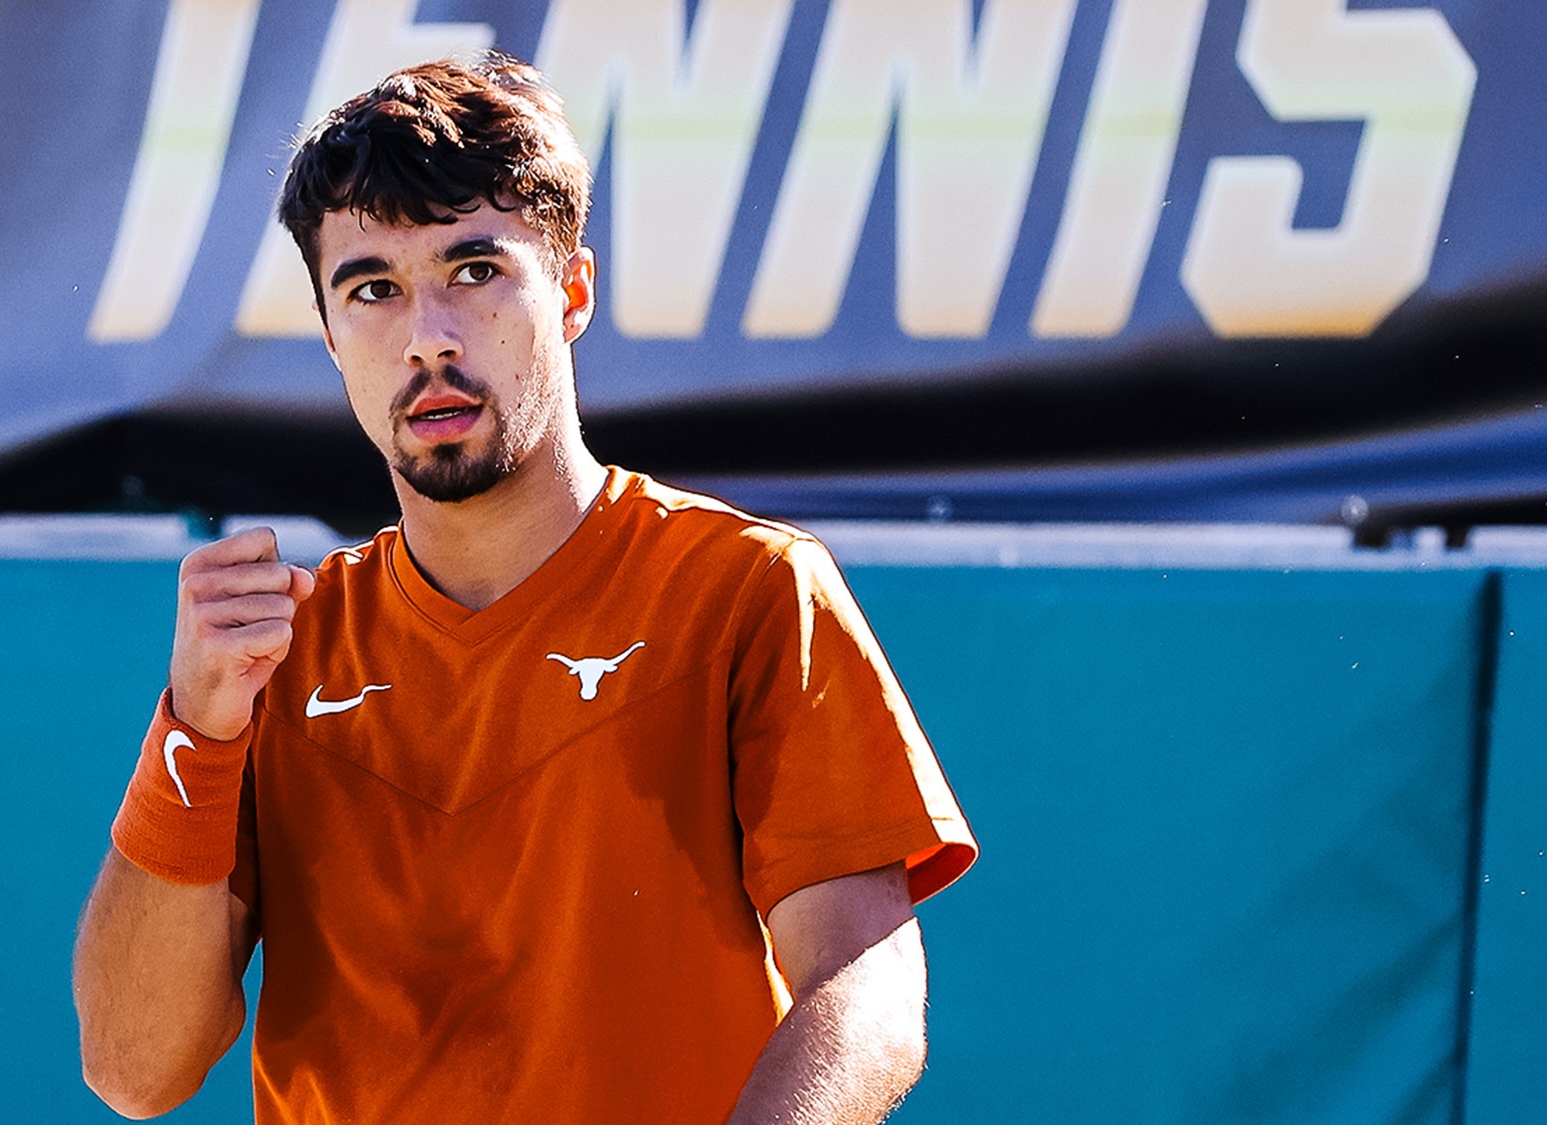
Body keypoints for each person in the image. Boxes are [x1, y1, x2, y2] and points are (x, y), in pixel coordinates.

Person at [73, 52, 976, 1124]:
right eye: (372, 290)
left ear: (573, 292)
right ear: (328, 334)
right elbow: (133, 1070)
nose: (428, 340)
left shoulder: (744, 590)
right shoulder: (278, 659)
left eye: (473, 272)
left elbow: (864, 989)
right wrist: (197, 733)